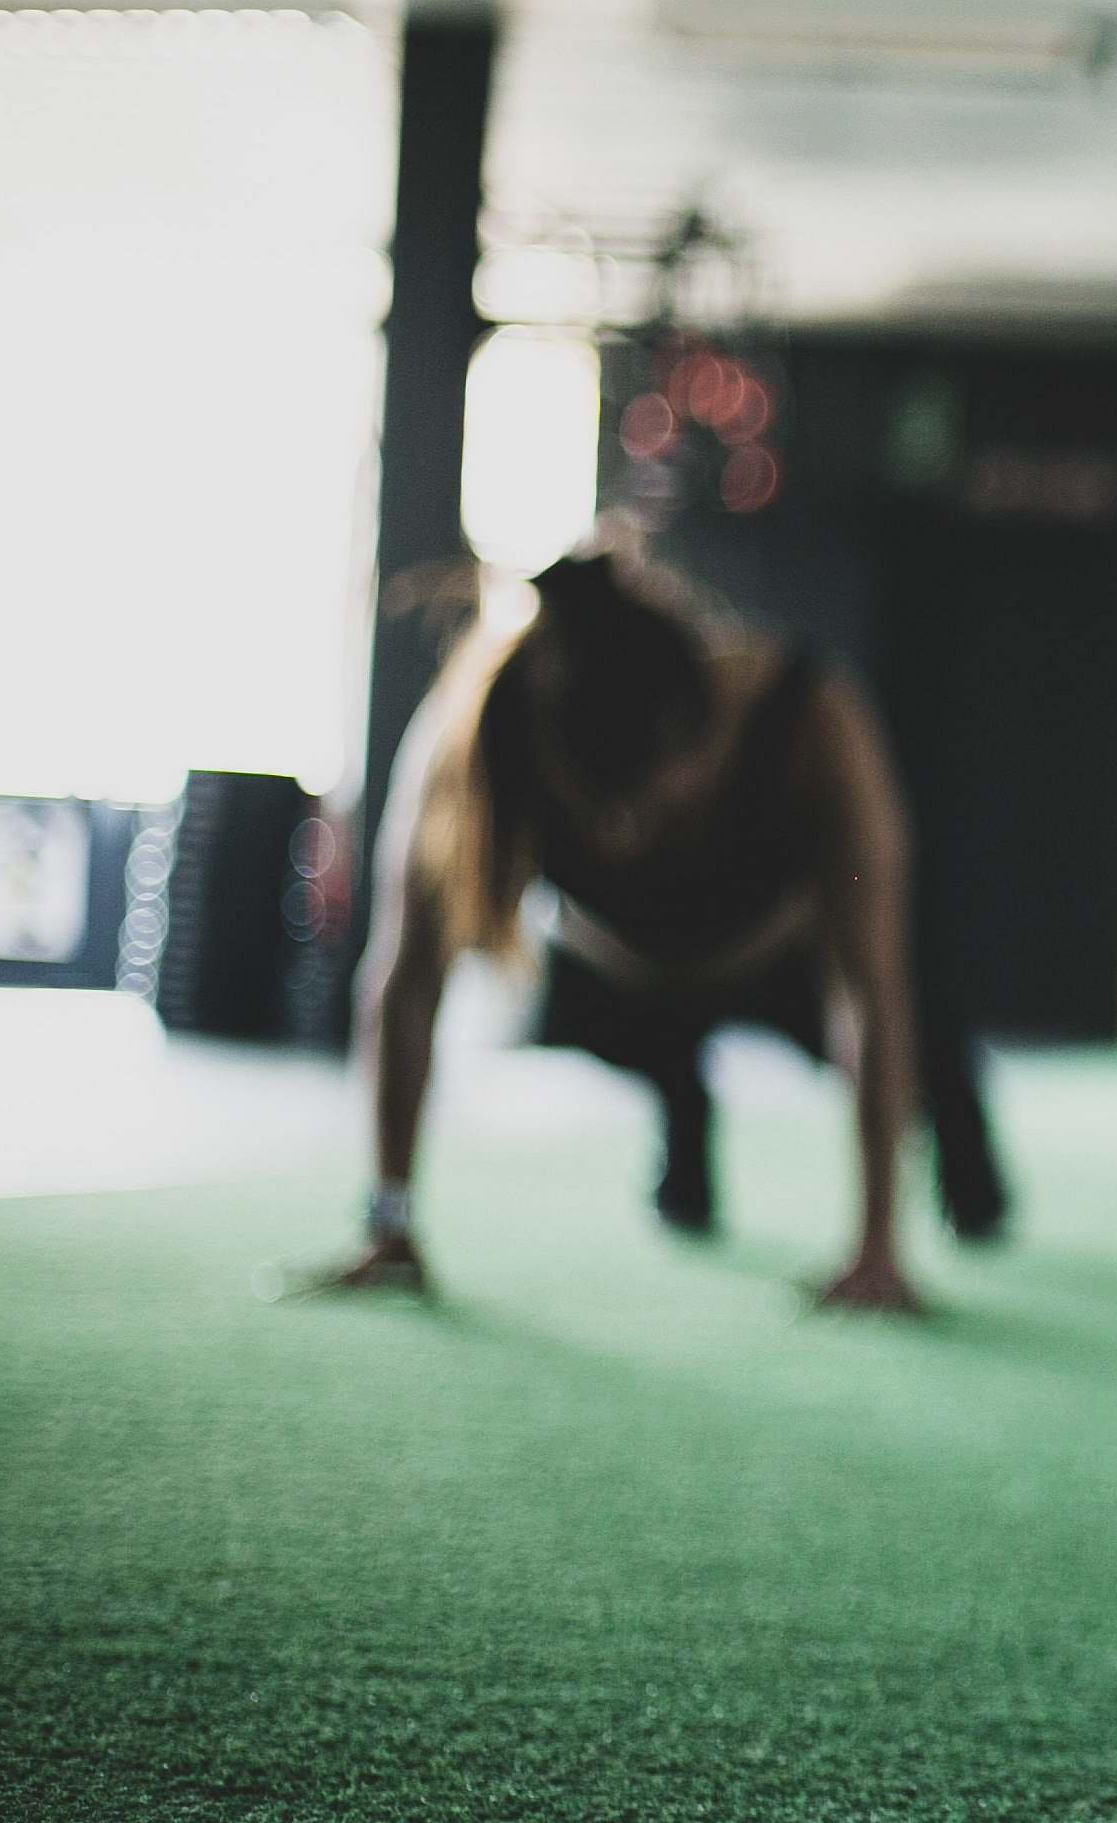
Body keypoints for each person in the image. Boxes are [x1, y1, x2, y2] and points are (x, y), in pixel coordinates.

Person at [321, 547, 1007, 1310]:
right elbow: (407, 980)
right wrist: (389, 1219)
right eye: (601, 814)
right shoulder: (482, 730)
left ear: (702, 730)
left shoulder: (811, 715)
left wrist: (877, 1246)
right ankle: (683, 1098)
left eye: (650, 805)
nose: (626, 837)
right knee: (621, 1049)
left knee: (939, 1080)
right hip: (619, 973)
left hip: (784, 961)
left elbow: (869, 990)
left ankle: (963, 1144)